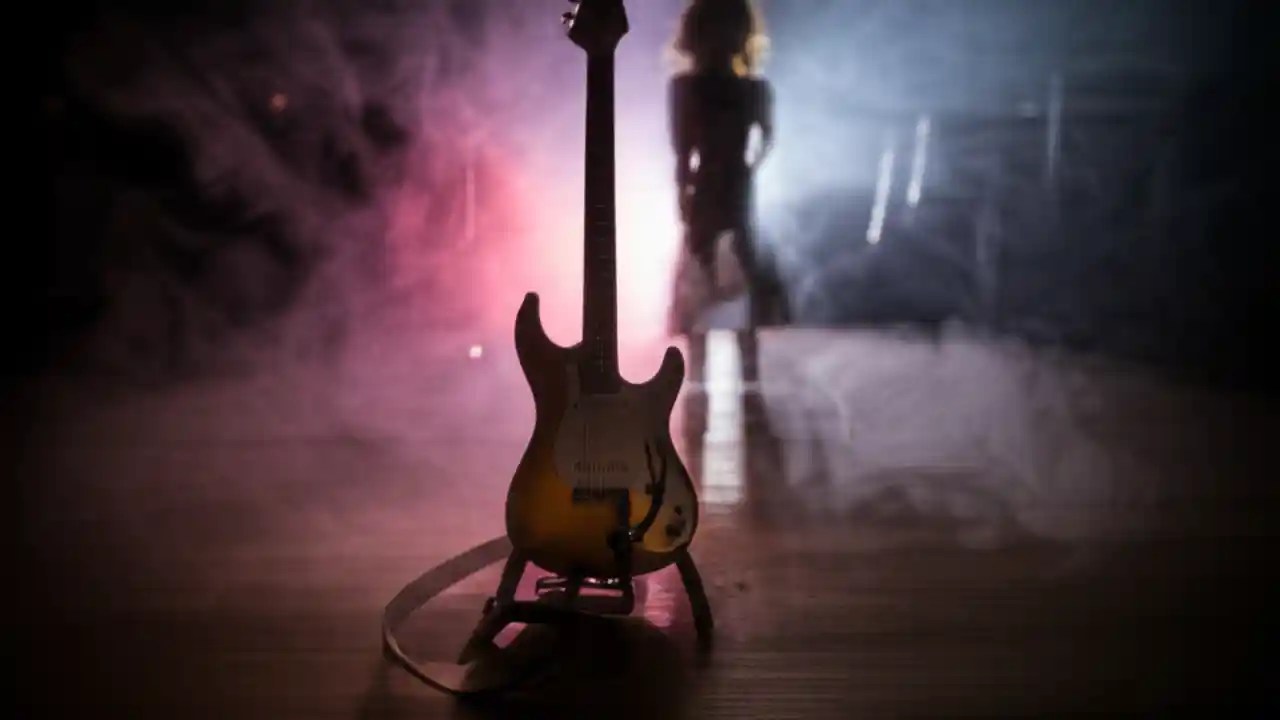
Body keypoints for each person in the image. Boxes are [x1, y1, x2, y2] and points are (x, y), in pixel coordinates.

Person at [667, 0, 787, 386]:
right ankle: (738, 365)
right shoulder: (750, 89)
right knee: (731, 266)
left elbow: (683, 151)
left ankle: (713, 366)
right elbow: (764, 139)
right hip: (731, 183)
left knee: (708, 267)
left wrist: (683, 190)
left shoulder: (689, 88)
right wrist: (748, 165)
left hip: (717, 184)